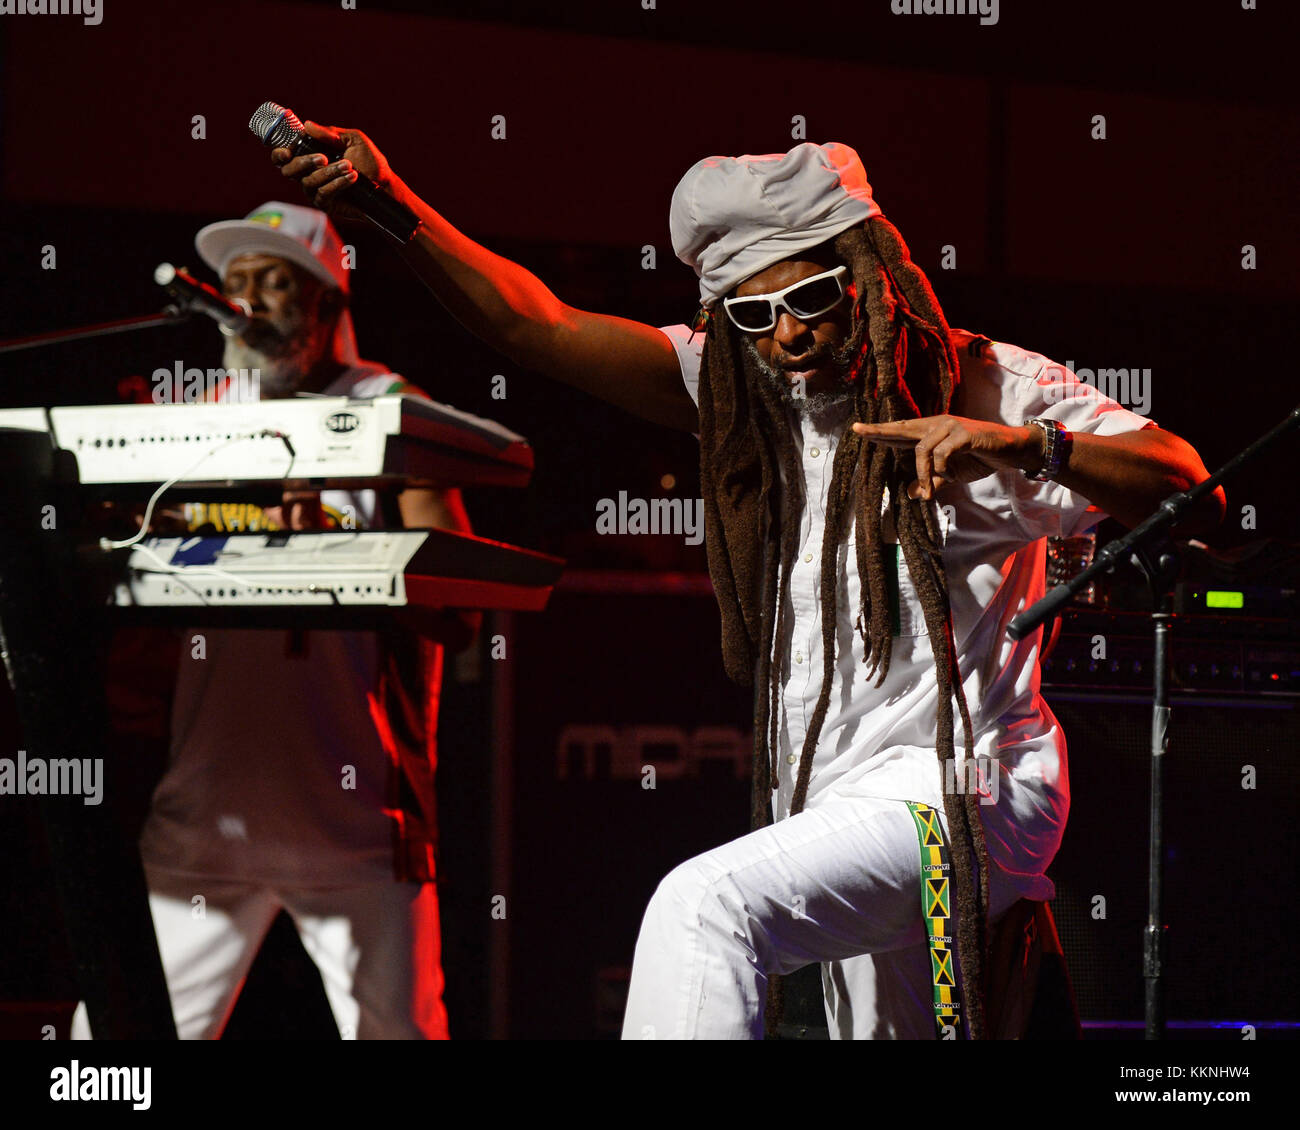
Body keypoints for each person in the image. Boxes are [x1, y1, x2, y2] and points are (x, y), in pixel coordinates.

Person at [275, 129, 1225, 1039]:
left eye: (811, 297)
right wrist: (390, 205)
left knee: (703, 905)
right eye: (752, 315)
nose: (789, 336)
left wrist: (1023, 446)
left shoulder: (987, 385)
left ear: (870, 274)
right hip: (838, 804)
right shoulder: (741, 395)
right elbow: (538, 326)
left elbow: (1191, 484)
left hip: (964, 793)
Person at [72, 201, 472, 1040]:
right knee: (112, 1043)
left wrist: (340, 547)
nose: (246, 302)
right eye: (234, 284)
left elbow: (462, 605)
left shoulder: (392, 410)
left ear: (328, 300)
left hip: (357, 820)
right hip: (206, 812)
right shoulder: (187, 423)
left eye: (274, 283)